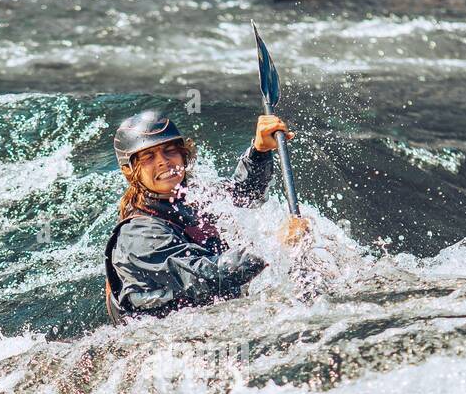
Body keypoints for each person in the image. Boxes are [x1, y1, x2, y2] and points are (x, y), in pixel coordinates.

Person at [103, 109, 312, 323]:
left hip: (212, 318)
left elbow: (244, 195)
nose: (163, 161)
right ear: (131, 171)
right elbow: (204, 275)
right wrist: (273, 246)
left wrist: (260, 150)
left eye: (169, 151)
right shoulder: (137, 236)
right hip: (170, 342)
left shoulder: (190, 195)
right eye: (148, 157)